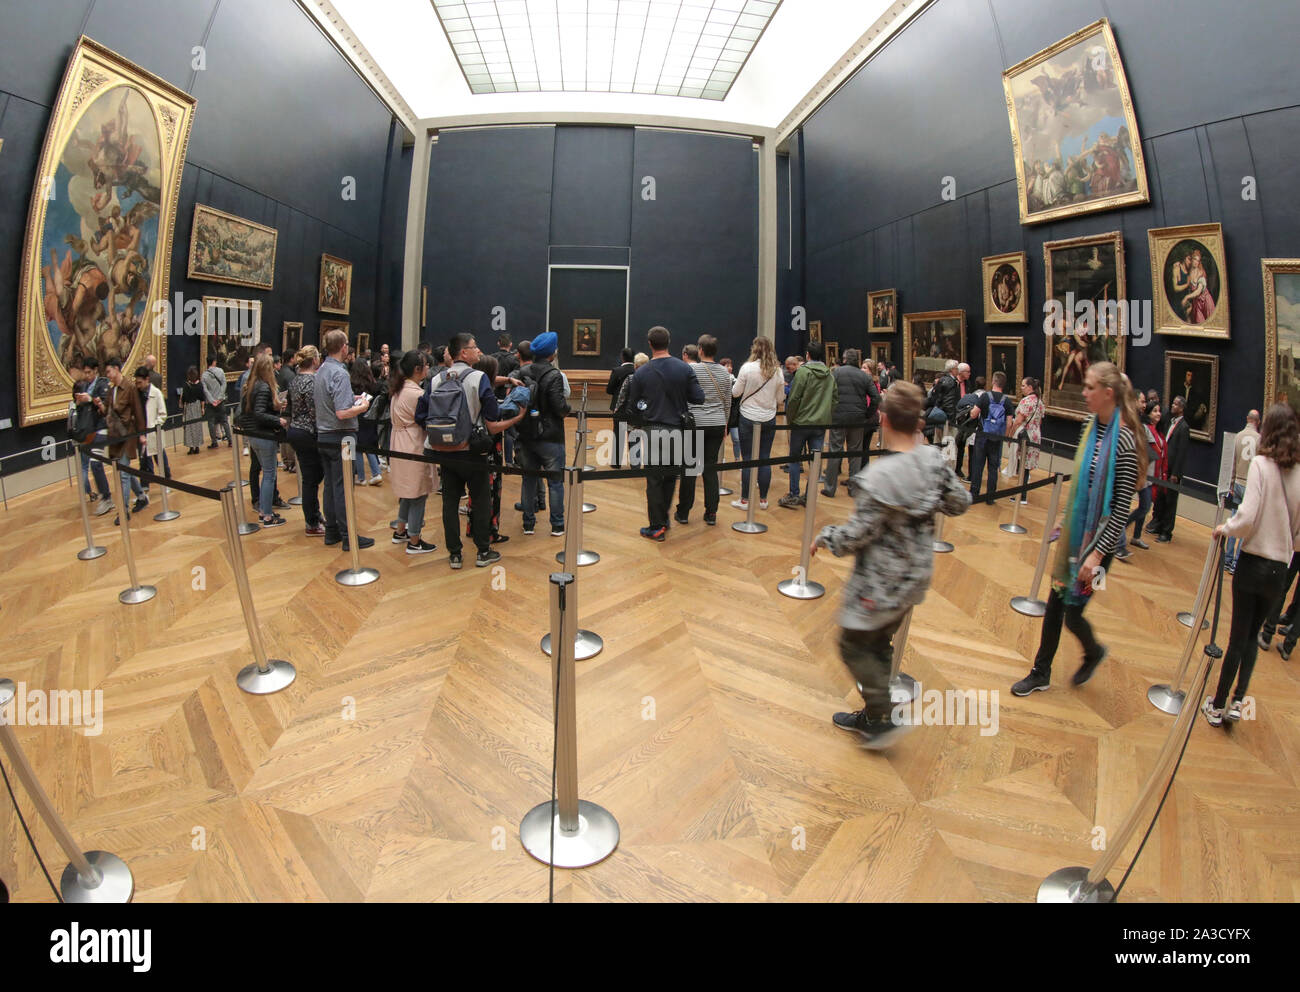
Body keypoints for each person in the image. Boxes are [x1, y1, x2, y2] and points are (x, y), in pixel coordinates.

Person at [814, 381, 971, 748]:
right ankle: (873, 715)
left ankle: (882, 718)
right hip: (915, 578)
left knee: (852, 645)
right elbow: (960, 502)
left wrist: (824, 536)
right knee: (880, 642)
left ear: (882, 418)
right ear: (918, 420)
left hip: (880, 584)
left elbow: (856, 536)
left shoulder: (878, 478)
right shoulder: (933, 460)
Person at [1012, 363, 1144, 696]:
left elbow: (1120, 507)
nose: (1083, 393)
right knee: (1056, 603)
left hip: (1101, 548)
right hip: (1075, 535)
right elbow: (1082, 483)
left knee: (1074, 612)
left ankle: (1094, 651)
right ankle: (1040, 671)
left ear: (1108, 393)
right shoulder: (1089, 427)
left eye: (1088, 388)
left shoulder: (1126, 441)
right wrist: (1065, 515)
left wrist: (1097, 554)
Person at [1204, 405, 1300, 726]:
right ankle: (1238, 705)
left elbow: (1246, 517)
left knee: (1237, 639)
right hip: (1278, 571)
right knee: (1253, 639)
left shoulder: (1260, 464)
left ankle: (1217, 706)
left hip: (1252, 564)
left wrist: (1225, 529)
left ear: (1268, 430)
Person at [428, 333, 520, 568]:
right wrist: (517, 417)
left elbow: (424, 414)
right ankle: (482, 551)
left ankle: (455, 554)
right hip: (472, 451)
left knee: (449, 502)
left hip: (445, 449)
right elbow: (491, 421)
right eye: (474, 347)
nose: (479, 351)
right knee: (480, 501)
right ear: (463, 353)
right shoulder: (479, 377)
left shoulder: (437, 379)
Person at [626, 326, 704, 540]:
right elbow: (699, 398)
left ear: (650, 344)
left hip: (653, 429)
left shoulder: (641, 372)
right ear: (669, 342)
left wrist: (647, 408)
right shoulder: (685, 369)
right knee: (670, 477)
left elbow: (633, 406)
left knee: (654, 480)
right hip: (678, 429)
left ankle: (657, 526)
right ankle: (664, 519)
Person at [315, 329, 373, 551]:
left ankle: (332, 532)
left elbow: (333, 402)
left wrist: (352, 399)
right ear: (343, 347)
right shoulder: (339, 373)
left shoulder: (321, 370)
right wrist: (362, 407)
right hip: (341, 437)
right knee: (344, 487)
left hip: (324, 435)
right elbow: (341, 413)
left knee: (331, 485)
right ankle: (349, 536)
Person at [516, 331, 570, 537]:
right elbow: (559, 406)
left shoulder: (524, 371)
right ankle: (557, 524)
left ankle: (528, 523)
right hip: (551, 435)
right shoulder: (554, 375)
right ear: (552, 354)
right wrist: (567, 408)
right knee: (555, 481)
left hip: (527, 433)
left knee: (529, 480)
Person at [676, 334, 733, 525]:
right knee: (710, 468)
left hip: (695, 423)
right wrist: (725, 423)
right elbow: (727, 402)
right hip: (717, 423)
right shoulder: (725, 373)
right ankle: (711, 513)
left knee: (690, 468)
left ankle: (683, 512)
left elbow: (683, 396)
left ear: (700, 350)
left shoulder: (691, 369)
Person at [388, 349, 437, 555]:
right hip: (412, 443)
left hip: (400, 441)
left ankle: (401, 530)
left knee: (408, 491)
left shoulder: (400, 388)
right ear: (418, 369)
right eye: (425, 365)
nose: (427, 368)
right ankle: (415, 539)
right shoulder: (416, 393)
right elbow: (426, 421)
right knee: (418, 493)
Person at [781, 340, 837, 508]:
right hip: (820, 424)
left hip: (801, 423)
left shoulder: (803, 373)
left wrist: (791, 418)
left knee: (795, 460)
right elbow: (834, 400)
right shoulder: (829, 374)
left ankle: (794, 494)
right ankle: (810, 495)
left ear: (808, 355)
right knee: (815, 460)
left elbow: (794, 398)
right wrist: (825, 415)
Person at [730, 337, 784, 512]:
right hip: (768, 417)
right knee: (764, 458)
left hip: (748, 417)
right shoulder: (777, 371)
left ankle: (745, 500)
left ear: (754, 349)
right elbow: (780, 399)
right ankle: (763, 500)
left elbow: (736, 393)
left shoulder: (747, 368)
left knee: (747, 460)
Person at [238, 353, 288, 528]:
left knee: (267, 472)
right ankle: (266, 515)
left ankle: (264, 510)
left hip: (254, 435)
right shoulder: (264, 387)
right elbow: (259, 414)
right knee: (269, 474)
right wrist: (278, 420)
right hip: (263, 435)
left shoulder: (250, 386)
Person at [823, 348, 877, 498]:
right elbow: (876, 398)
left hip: (838, 417)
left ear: (845, 359)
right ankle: (853, 489)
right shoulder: (864, 376)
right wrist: (867, 414)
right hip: (858, 418)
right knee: (855, 454)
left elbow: (827, 393)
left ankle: (829, 488)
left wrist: (831, 411)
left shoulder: (836, 373)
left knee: (835, 451)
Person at [100, 358, 148, 523]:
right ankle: (141, 496)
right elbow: (106, 411)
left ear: (116, 369)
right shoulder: (111, 390)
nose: (107, 375)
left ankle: (124, 511)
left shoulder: (130, 388)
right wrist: (99, 405)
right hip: (115, 436)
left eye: (108, 372)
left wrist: (142, 434)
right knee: (125, 471)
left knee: (123, 475)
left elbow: (138, 410)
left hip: (127, 435)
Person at [286, 347, 325, 537]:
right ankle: (312, 522)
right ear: (315, 360)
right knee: (311, 480)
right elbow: (314, 412)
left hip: (296, 431)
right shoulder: (312, 382)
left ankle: (315, 515)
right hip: (308, 433)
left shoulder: (294, 380)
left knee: (310, 478)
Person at [1115, 394, 1160, 561]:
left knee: (1144, 506)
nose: (1144, 404)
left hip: (1142, 473)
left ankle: (1133, 536)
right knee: (1120, 507)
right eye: (1142, 401)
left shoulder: (1139, 423)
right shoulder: (1126, 422)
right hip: (1130, 472)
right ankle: (1118, 545)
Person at [73, 357, 113, 512]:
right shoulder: (83, 385)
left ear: (96, 370)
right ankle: (109, 496)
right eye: (85, 372)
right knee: (115, 466)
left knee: (96, 463)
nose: (87, 375)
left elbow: (105, 406)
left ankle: (106, 497)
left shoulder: (102, 384)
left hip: (103, 428)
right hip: (90, 429)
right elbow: (82, 411)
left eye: (89, 372)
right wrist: (79, 403)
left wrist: (90, 399)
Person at [969, 371, 1014, 504]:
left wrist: (973, 411)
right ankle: (990, 497)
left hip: (982, 436)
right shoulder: (1007, 401)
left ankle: (974, 494)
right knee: (993, 468)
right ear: (1004, 384)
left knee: (978, 464)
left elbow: (974, 414)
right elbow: (1010, 423)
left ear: (993, 381)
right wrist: (1004, 437)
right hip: (996, 439)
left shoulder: (984, 397)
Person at [1148, 395, 1188, 543]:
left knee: (1171, 502)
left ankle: (1166, 532)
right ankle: (1159, 524)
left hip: (1173, 473)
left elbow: (1182, 452)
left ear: (1182, 408)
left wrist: (1176, 474)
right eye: (1173, 403)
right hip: (1164, 469)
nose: (1172, 405)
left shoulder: (1184, 428)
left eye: (1176, 404)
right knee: (1162, 499)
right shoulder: (1170, 422)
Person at [1225, 410, 1261, 573]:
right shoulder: (1260, 440)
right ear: (1258, 422)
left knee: (1234, 518)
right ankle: (1236, 562)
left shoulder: (1238, 436)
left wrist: (1231, 483)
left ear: (1247, 419)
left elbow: (1232, 462)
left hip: (1238, 482)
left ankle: (1227, 559)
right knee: (1247, 524)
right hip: (1250, 485)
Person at [1007, 377, 1044, 505]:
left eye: (1023, 386)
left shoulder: (1026, 401)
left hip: (1024, 434)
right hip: (1035, 435)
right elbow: (1040, 421)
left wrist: (1010, 436)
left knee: (1022, 464)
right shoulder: (1040, 402)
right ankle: (1022, 493)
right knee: (1026, 466)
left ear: (1030, 387)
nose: (1021, 388)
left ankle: (1021, 495)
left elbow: (1017, 421)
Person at [134, 365, 169, 496]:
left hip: (153, 432)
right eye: (136, 383)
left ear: (147, 379)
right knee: (143, 461)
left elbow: (163, 414)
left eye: (140, 382)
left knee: (160, 459)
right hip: (141, 433)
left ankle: (167, 482)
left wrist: (154, 425)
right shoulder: (137, 394)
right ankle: (144, 488)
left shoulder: (156, 393)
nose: (138, 385)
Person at [202, 355, 231, 448]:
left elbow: (205, 390)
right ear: (214, 362)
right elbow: (224, 384)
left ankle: (214, 442)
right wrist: (219, 398)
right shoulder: (220, 371)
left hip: (211, 404)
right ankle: (230, 440)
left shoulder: (204, 375)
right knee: (225, 421)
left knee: (211, 423)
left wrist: (212, 400)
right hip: (220, 401)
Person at [181, 366, 204, 454]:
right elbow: (202, 398)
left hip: (189, 407)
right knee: (197, 426)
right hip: (197, 406)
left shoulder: (186, 386)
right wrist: (202, 408)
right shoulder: (200, 385)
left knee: (189, 427)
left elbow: (184, 399)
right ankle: (197, 447)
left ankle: (191, 448)